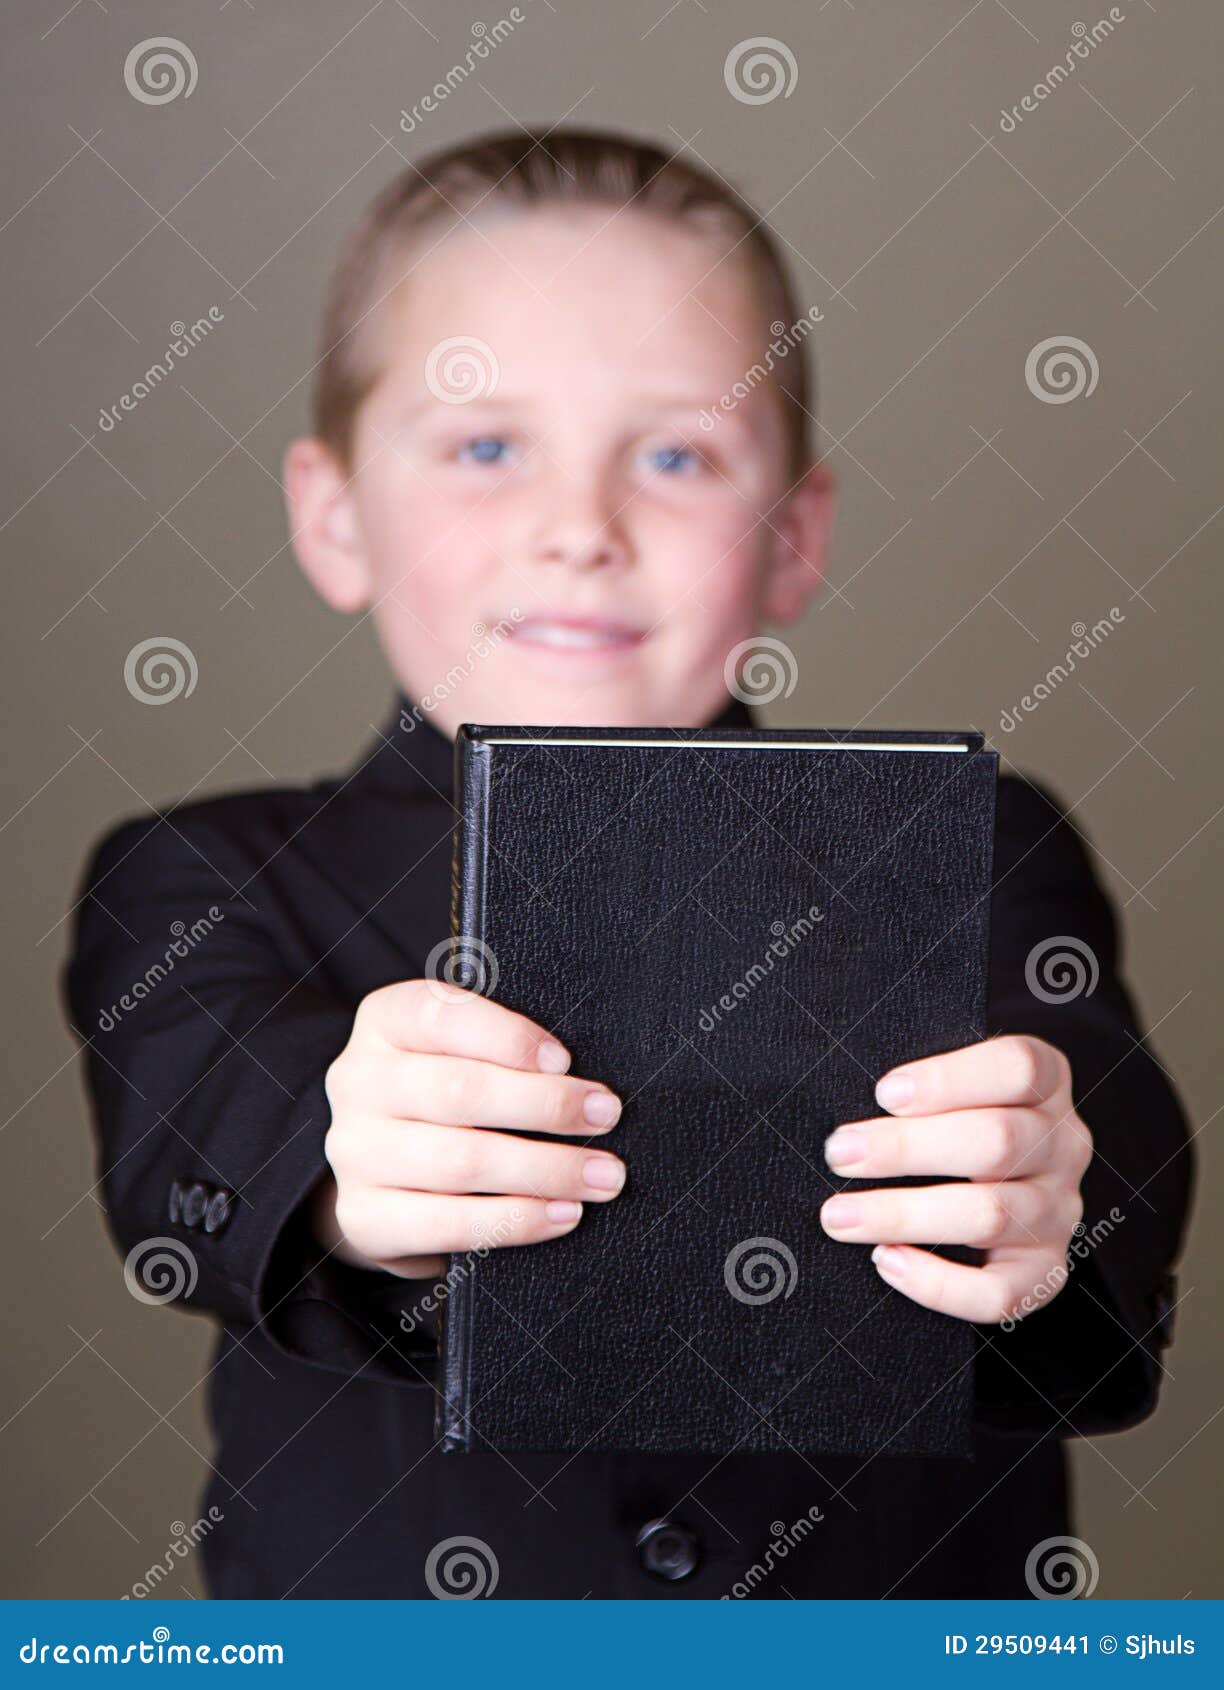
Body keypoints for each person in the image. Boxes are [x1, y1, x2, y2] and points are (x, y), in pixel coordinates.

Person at [64, 127, 1193, 1599]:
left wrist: (1050, 1200)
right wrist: (337, 1174)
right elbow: (195, 1140)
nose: (579, 530)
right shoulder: (197, 875)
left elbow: (1118, 1168)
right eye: (485, 446)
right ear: (334, 518)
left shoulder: (982, 843)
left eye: (675, 454)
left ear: (792, 537)